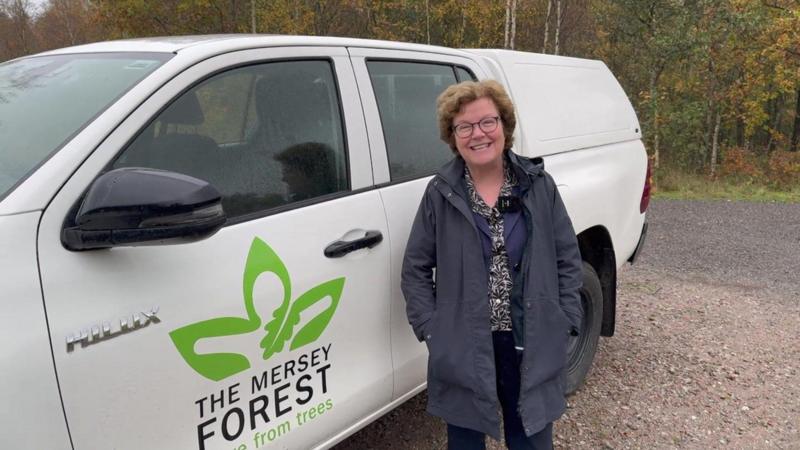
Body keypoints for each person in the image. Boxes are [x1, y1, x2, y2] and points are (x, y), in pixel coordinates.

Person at [401, 80, 583, 450]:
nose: (478, 134)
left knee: (531, 439)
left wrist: (564, 318)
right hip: (464, 345)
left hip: (529, 338)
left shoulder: (538, 185)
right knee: (465, 441)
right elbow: (415, 269)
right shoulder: (440, 192)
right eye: (464, 126)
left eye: (487, 122)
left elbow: (567, 258)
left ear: (504, 125)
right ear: (452, 136)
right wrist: (433, 329)